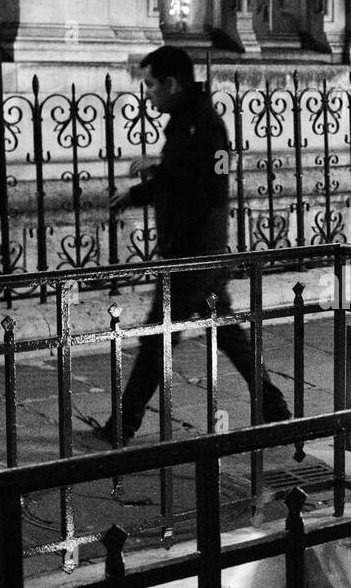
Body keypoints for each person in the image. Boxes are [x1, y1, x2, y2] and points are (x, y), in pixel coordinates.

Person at [93, 46, 290, 444]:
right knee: (227, 332)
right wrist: (146, 184)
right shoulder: (186, 122)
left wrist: (153, 177)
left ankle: (123, 426)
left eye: (150, 85)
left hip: (194, 253)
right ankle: (274, 407)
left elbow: (211, 185)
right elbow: (183, 176)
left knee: (156, 339)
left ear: (172, 82)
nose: (147, 94)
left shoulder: (205, 124)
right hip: (199, 252)